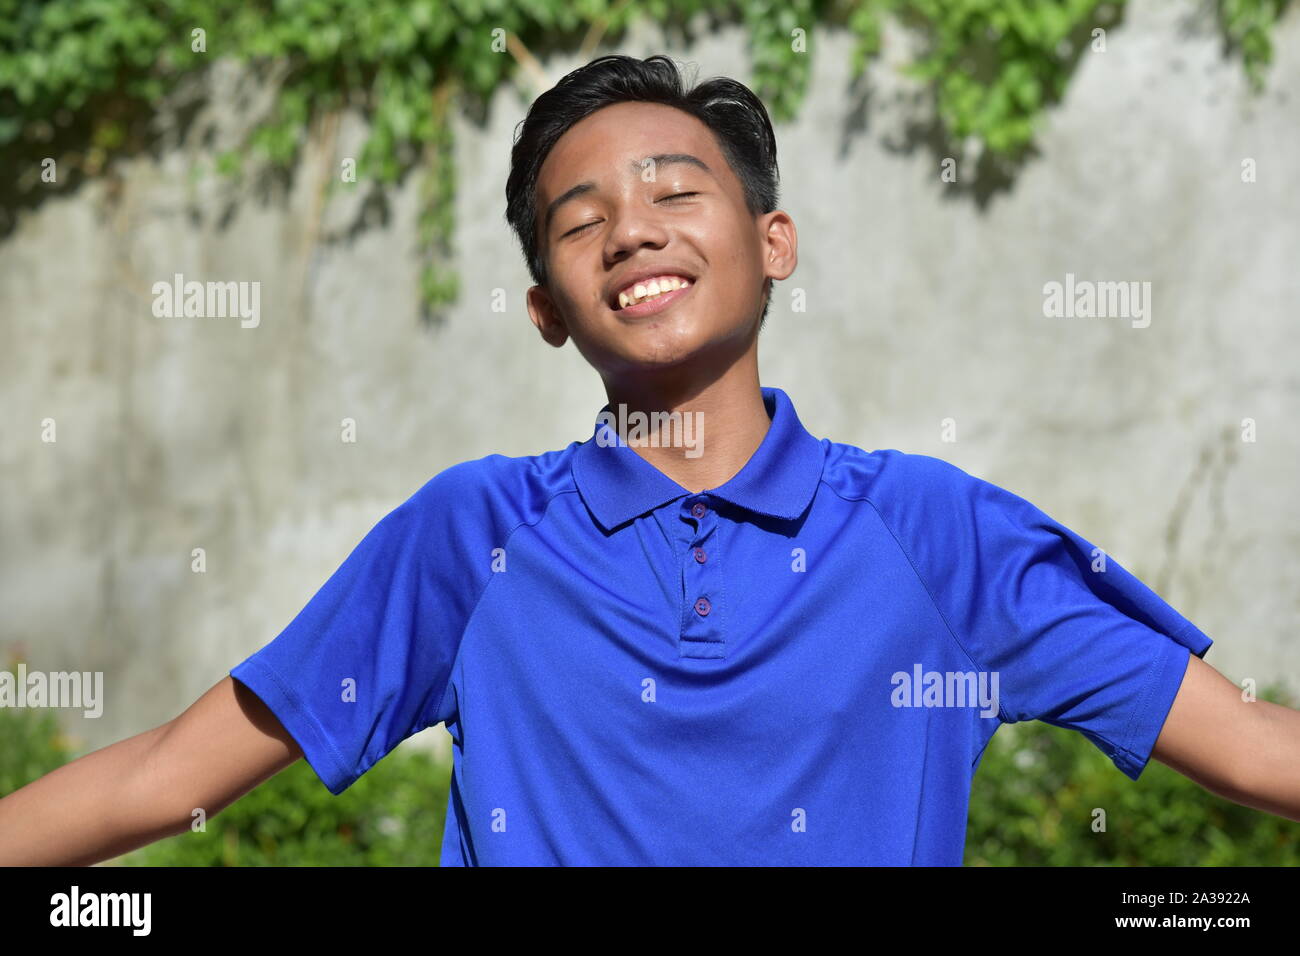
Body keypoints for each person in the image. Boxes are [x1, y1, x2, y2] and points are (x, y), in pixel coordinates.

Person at [2, 54, 1296, 867]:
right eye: (582, 221)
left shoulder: (932, 531)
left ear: (771, 240)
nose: (632, 231)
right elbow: (172, 776)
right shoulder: (475, 535)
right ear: (547, 309)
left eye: (676, 193)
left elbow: (1252, 752)